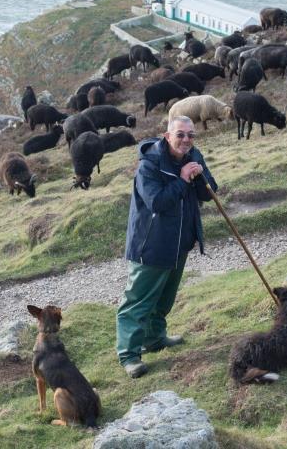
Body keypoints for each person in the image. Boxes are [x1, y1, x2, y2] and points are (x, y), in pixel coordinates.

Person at [116, 115, 217, 378]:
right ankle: (129, 355)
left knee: (164, 298)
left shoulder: (193, 155)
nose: (186, 140)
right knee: (138, 301)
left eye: (191, 134)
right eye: (180, 134)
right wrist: (183, 180)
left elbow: (209, 192)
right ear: (167, 135)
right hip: (151, 244)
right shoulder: (149, 165)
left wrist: (199, 175)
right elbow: (157, 203)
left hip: (179, 242)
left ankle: (155, 338)